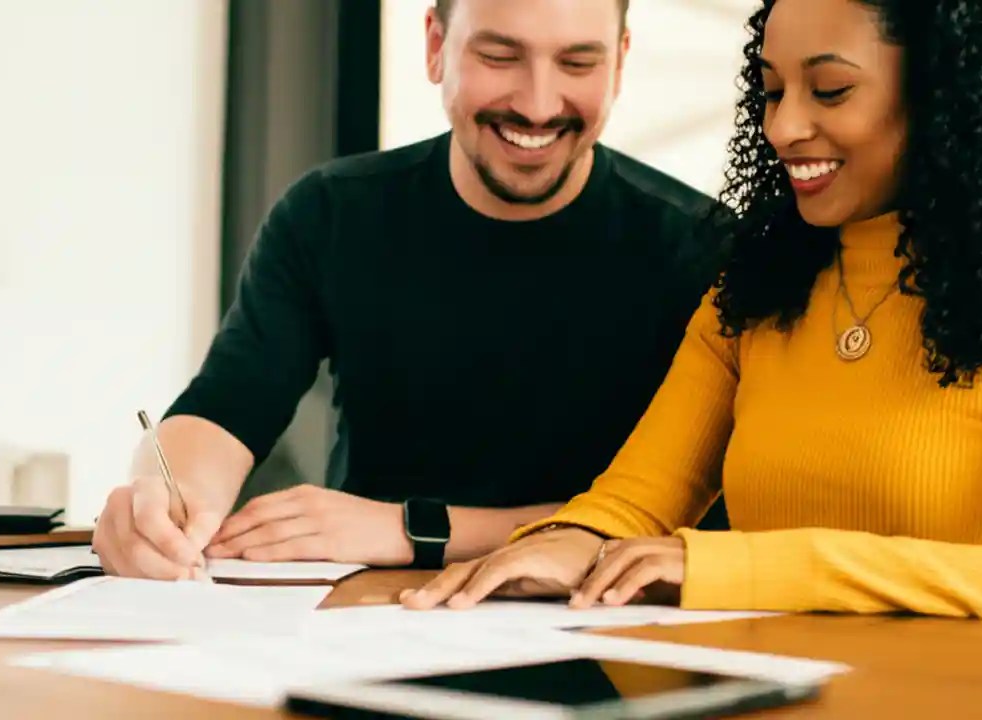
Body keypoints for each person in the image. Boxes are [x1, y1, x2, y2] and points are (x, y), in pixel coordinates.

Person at [402, 0, 982, 633]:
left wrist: (761, 565)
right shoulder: (761, 283)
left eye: (831, 90)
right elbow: (634, 500)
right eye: (772, 91)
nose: (783, 127)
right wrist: (569, 541)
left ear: (948, 92)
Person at [91, 0, 732, 580]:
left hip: (606, 625)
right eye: (499, 56)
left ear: (619, 64)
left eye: (577, 62)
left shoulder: (701, 249)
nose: (539, 104)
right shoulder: (332, 213)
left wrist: (411, 528)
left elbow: (692, 520)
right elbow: (227, 404)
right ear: (435, 46)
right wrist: (160, 499)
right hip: (367, 616)